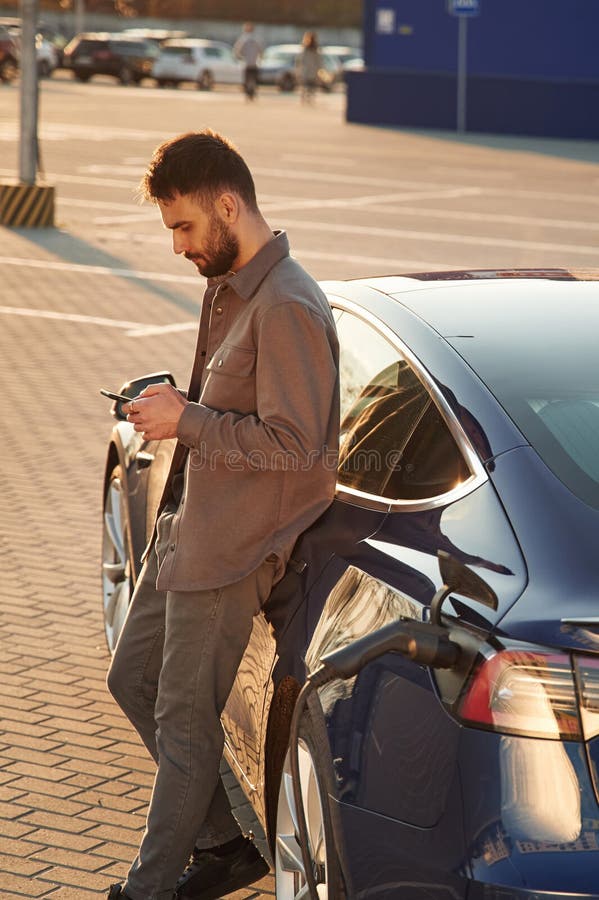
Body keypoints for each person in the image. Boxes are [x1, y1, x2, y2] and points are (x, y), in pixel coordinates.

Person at [105, 129, 340, 900]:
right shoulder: (226, 285)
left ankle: (148, 887)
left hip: (232, 549)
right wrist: (176, 414)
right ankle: (222, 844)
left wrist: (190, 421)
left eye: (183, 227)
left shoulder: (289, 306)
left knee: (182, 719)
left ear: (228, 205)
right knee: (129, 678)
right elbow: (220, 411)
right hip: (186, 526)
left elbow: (301, 448)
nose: (176, 246)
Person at [233, 22, 261, 100]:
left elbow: (237, 50)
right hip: (253, 63)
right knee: (253, 79)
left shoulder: (243, 39)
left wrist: (240, 57)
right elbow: (260, 50)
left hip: (247, 63)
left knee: (247, 79)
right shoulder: (255, 38)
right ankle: (251, 93)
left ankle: (249, 93)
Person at [296, 31, 323, 103]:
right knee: (306, 86)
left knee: (311, 86)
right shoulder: (306, 49)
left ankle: (309, 98)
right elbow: (301, 60)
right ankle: (306, 98)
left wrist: (319, 69)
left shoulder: (315, 50)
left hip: (311, 71)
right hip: (307, 71)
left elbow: (318, 61)